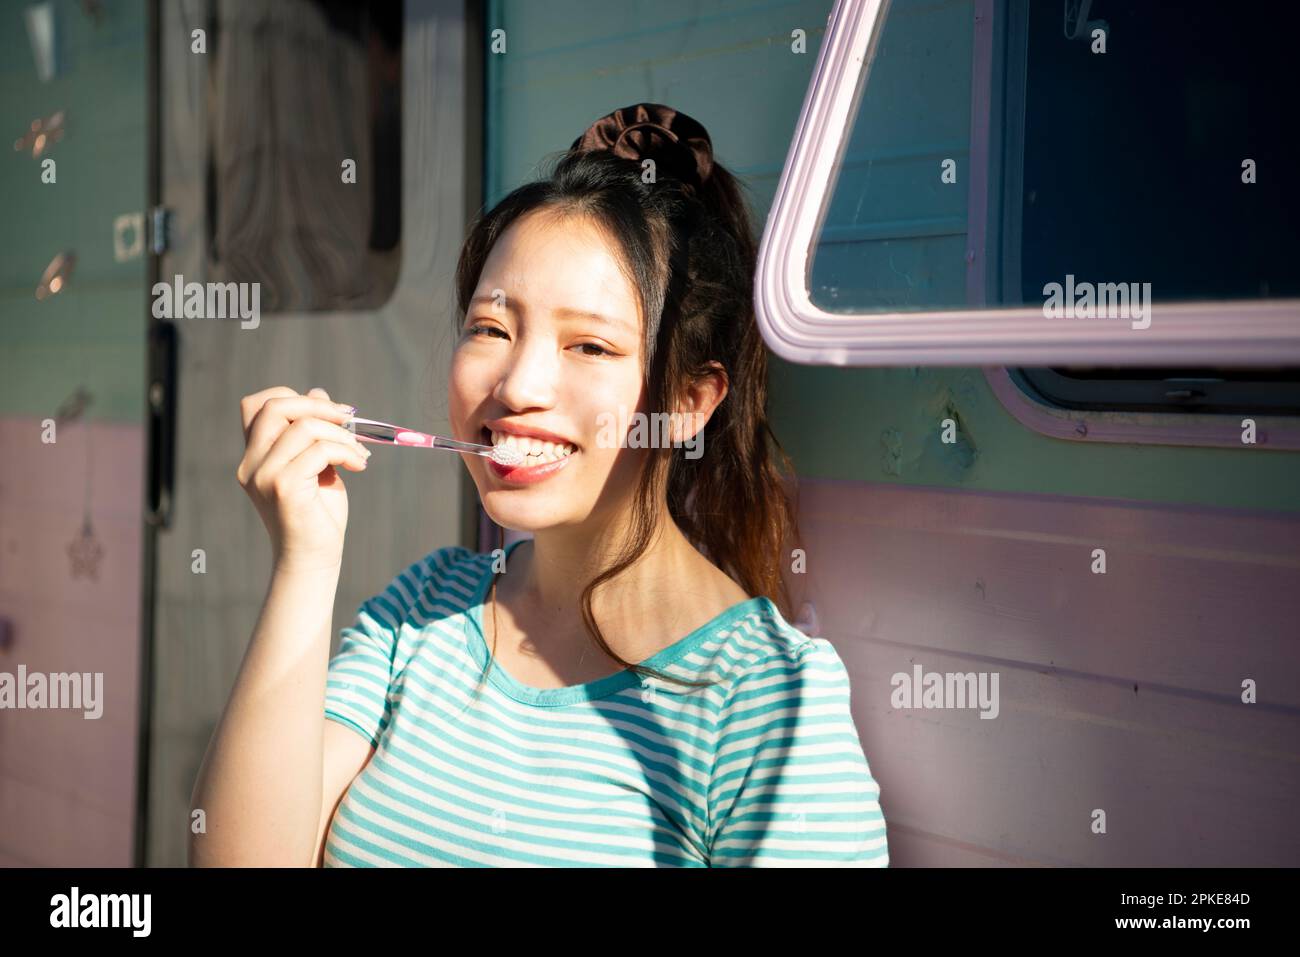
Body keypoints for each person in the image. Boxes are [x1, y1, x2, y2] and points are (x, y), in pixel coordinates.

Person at [190, 103, 888, 867]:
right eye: (491, 328)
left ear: (690, 401)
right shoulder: (421, 612)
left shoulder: (770, 704)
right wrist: (304, 560)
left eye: (589, 344)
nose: (519, 384)